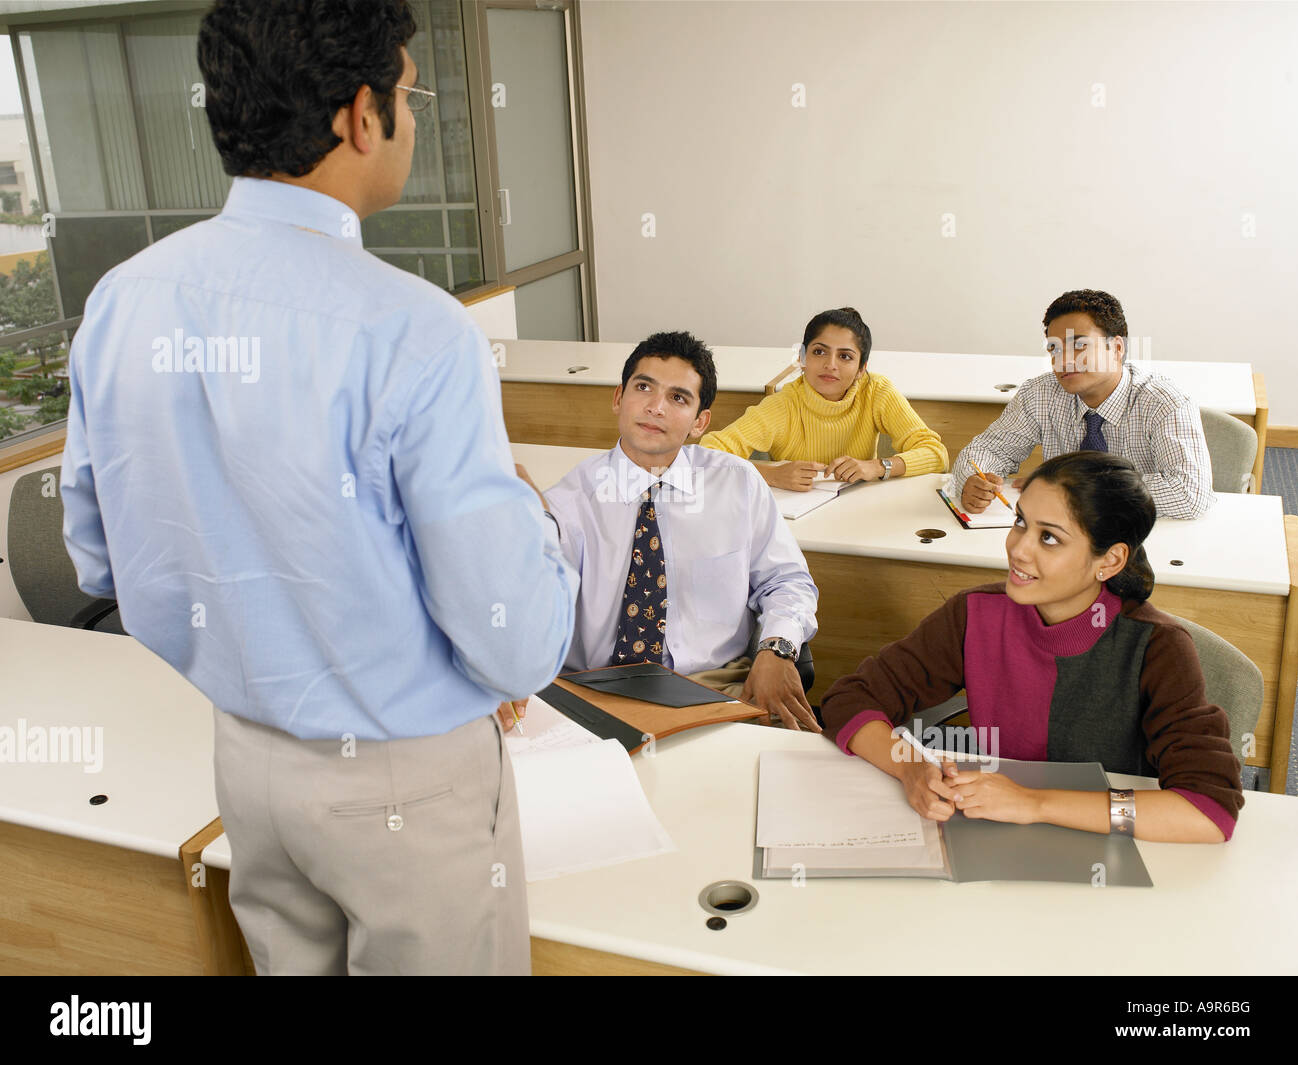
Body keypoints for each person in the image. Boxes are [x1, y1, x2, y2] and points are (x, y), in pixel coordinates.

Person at [60, 0, 578, 974]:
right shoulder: (415, 333)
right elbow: (515, 642)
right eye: (411, 94)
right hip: (406, 782)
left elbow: (100, 557)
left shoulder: (124, 299)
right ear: (358, 115)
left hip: (243, 765)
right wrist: (533, 516)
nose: (415, 123)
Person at [821, 451, 1243, 843]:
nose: (1018, 549)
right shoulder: (973, 615)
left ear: (1110, 561)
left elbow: (1207, 811)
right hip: (994, 834)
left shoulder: (1158, 649)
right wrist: (909, 767)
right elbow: (850, 700)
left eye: (1050, 538)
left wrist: (1033, 804)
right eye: (1021, 521)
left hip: (1103, 843)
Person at [531, 330, 821, 732]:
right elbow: (527, 597)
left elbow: (786, 580)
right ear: (618, 398)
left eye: (678, 398)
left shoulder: (737, 483)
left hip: (717, 685)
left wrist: (778, 648)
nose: (655, 407)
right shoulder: (568, 500)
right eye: (644, 387)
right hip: (595, 691)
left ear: (700, 422)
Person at [948, 289, 1214, 519]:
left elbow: (1189, 494)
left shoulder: (1164, 403)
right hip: (1065, 538)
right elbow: (986, 450)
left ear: (1117, 348)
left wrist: (1074, 487)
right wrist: (974, 480)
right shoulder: (1040, 394)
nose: (1063, 360)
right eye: (1054, 349)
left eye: (1079, 346)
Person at [699, 307, 948, 490]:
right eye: (819, 352)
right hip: (795, 517)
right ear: (803, 358)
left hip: (857, 511)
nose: (830, 365)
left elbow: (936, 454)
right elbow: (707, 456)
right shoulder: (784, 404)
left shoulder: (876, 390)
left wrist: (877, 466)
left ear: (862, 368)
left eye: (845, 357)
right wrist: (772, 475)